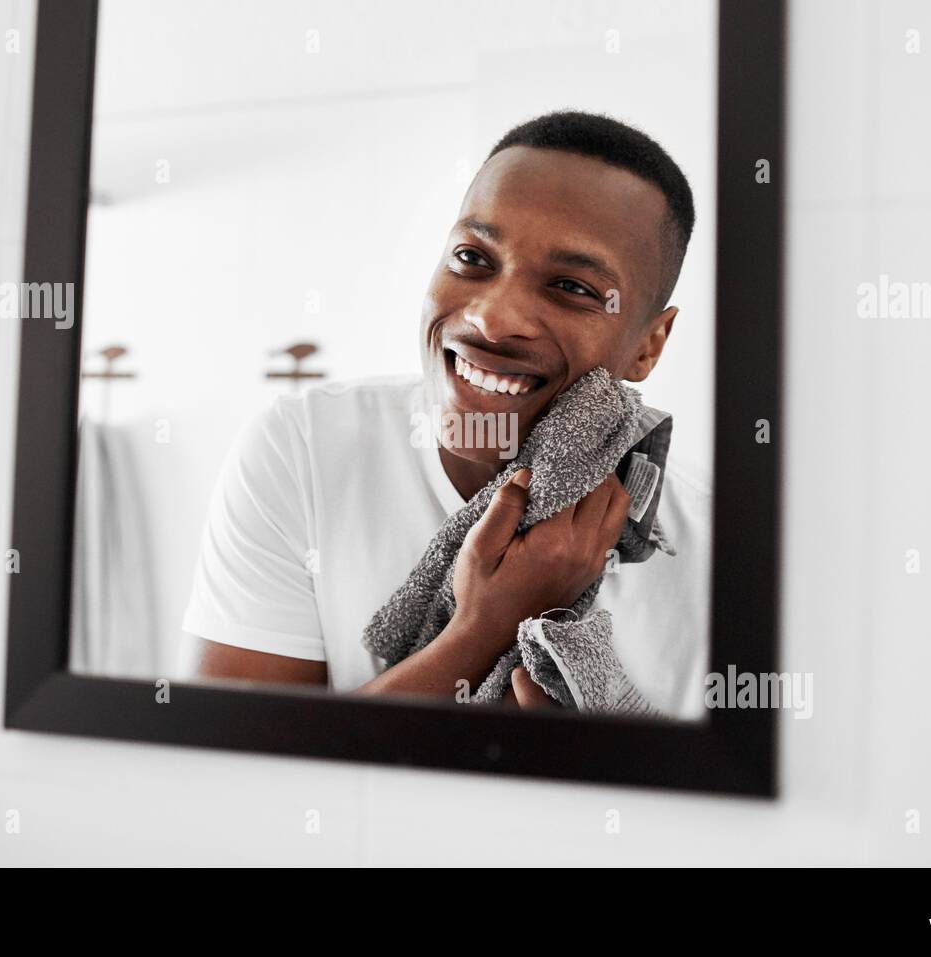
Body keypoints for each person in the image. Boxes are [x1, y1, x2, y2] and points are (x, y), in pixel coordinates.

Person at [182, 110, 711, 718]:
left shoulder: (714, 556)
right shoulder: (303, 449)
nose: (492, 317)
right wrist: (482, 630)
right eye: (472, 258)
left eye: (572, 288)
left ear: (650, 343)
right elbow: (232, 775)